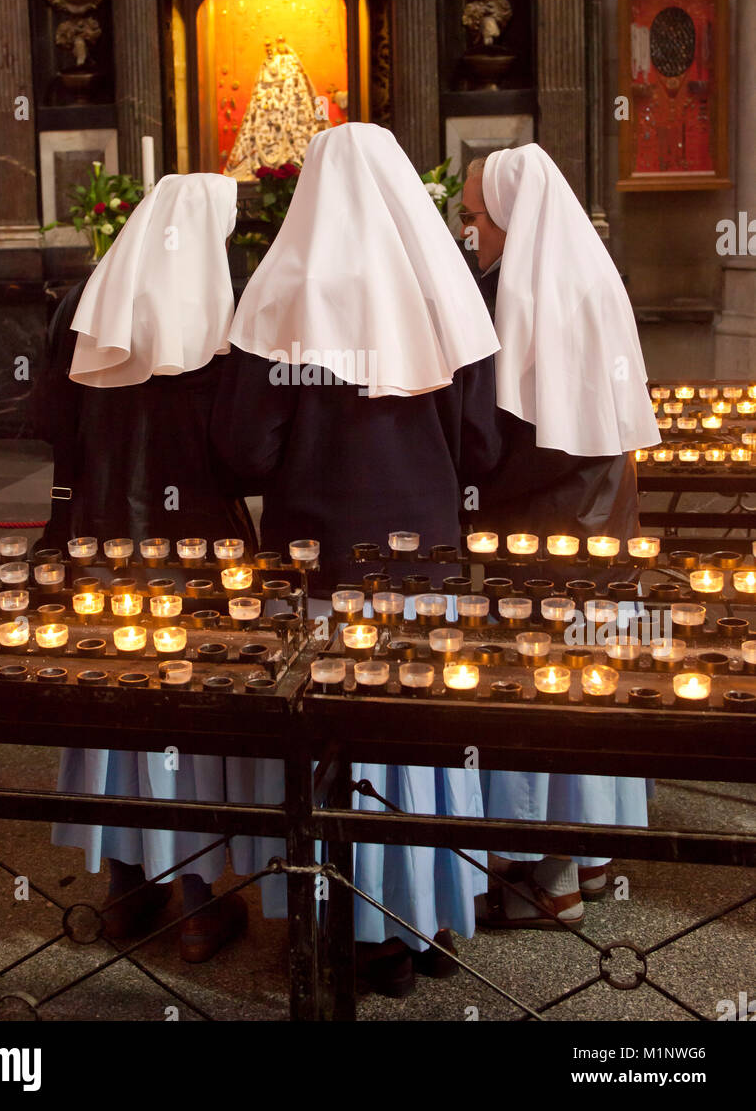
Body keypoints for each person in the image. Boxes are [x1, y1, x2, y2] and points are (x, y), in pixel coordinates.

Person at [213, 121, 502, 997]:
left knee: (337, 751)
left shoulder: (279, 296)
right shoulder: (442, 288)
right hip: (426, 562)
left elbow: (243, 456)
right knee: (416, 747)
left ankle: (347, 933)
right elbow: (482, 446)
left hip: (319, 564)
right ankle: (429, 920)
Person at [34, 172, 255, 958]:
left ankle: (125, 891)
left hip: (99, 547)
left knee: (116, 721)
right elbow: (241, 457)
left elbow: (50, 424)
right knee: (185, 735)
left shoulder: (80, 307)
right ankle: (198, 901)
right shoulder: (222, 317)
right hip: (195, 560)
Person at [461, 143, 660, 929]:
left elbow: (523, 436)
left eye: (478, 216)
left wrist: (464, 490)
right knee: (593, 680)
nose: (473, 230)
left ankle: (553, 876)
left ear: (510, 215)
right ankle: (595, 849)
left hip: (543, 520)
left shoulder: (517, 287)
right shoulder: (589, 268)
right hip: (605, 511)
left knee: (540, 691)